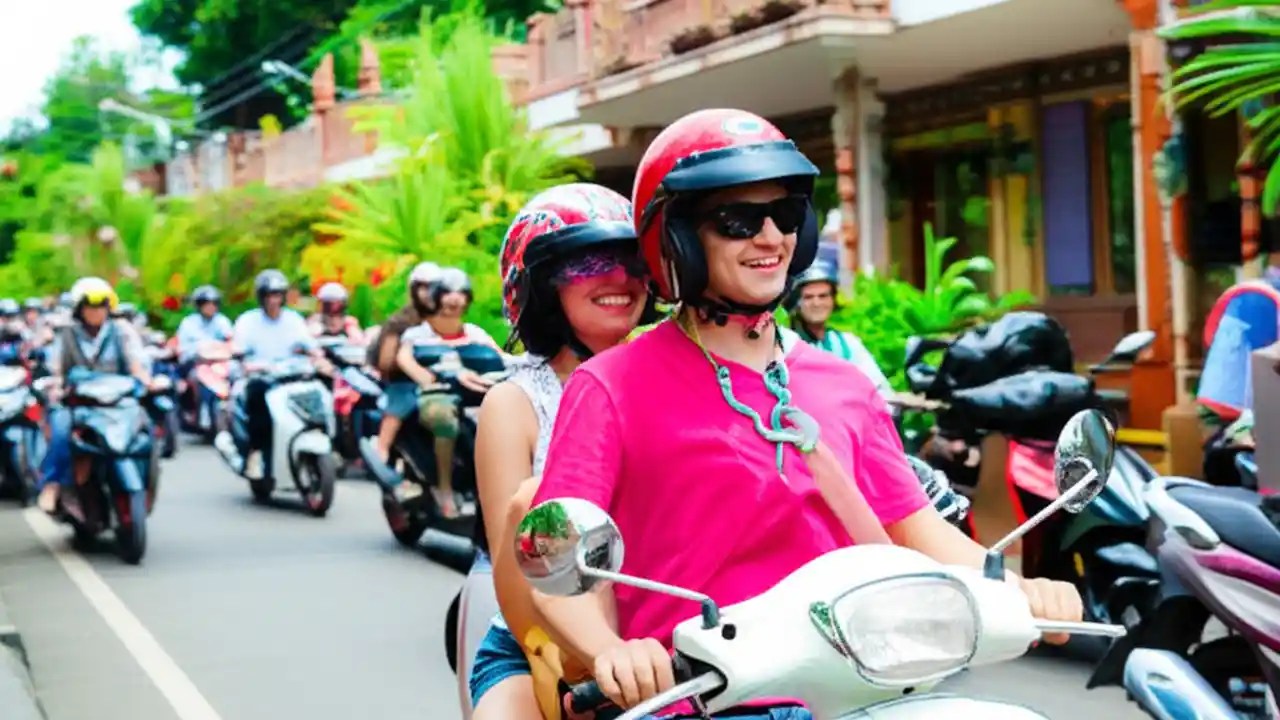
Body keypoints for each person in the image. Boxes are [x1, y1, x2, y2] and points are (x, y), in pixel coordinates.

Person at [523, 109, 1083, 716]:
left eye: (785, 215)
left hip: (857, 686)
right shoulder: (610, 386)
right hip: (698, 699)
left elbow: (915, 531)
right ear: (676, 238)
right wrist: (613, 650)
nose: (770, 238)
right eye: (738, 220)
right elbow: (557, 558)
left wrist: (1022, 590)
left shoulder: (844, 385)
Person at [464, 184, 653, 720]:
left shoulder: (675, 377)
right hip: (537, 647)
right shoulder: (515, 403)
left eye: (631, 261)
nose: (618, 278)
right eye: (589, 262)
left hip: (666, 639)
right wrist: (564, 668)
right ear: (542, 288)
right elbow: (517, 575)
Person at [36, 278, 156, 513]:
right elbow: (57, 368)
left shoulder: (122, 331)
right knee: (60, 429)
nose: (96, 312)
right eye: (90, 307)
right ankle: (53, 485)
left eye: (101, 306)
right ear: (80, 310)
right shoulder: (67, 333)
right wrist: (57, 387)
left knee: (146, 425)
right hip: (79, 403)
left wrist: (148, 382)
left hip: (118, 402)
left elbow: (136, 364)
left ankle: (148, 485)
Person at [392, 267, 501, 517]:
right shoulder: (417, 334)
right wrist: (428, 377)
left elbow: (501, 357)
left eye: (460, 292)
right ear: (436, 296)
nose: (454, 298)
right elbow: (404, 359)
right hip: (437, 394)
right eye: (448, 292)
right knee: (443, 418)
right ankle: (444, 487)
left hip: (478, 395)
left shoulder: (475, 333)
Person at [215, 269, 324, 476]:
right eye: (268, 295)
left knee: (319, 390)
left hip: (291, 377)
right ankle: (255, 453)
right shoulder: (248, 321)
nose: (273, 300)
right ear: (261, 297)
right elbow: (238, 348)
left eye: (277, 295)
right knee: (258, 395)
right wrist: (248, 363)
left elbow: (310, 345)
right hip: (260, 378)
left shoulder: (294, 320)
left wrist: (317, 356)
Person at [365, 261, 441, 464]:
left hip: (439, 381)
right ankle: (381, 449)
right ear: (414, 289)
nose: (427, 292)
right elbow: (385, 362)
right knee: (403, 401)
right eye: (422, 286)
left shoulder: (445, 318)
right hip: (404, 382)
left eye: (432, 287)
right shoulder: (400, 322)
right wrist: (412, 362)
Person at [786, 260, 892, 398]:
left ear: (833, 300)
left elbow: (877, 385)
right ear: (796, 303)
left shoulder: (847, 343)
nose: (816, 303)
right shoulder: (786, 344)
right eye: (808, 297)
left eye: (823, 296)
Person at [176, 285, 234, 368]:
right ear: (199, 305)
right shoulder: (189, 322)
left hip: (219, 361)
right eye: (207, 303)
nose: (211, 306)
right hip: (194, 362)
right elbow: (182, 350)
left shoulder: (221, 320)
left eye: (214, 303)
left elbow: (230, 341)